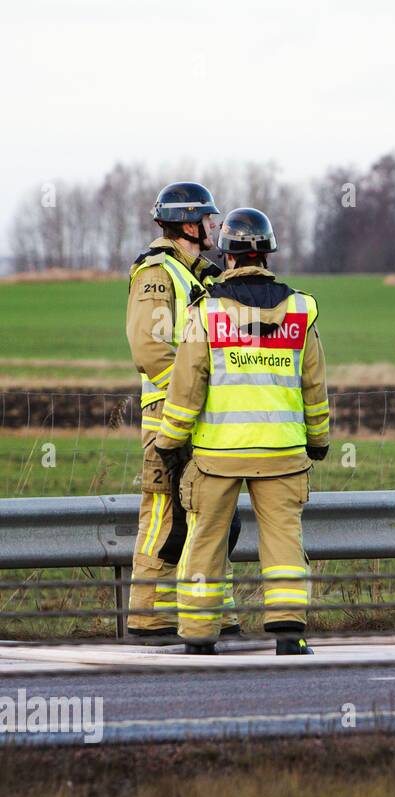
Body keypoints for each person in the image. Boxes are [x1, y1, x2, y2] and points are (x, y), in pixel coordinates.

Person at [153, 208, 330, 655]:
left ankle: (197, 638)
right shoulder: (299, 310)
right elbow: (314, 385)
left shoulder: (207, 312)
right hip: (283, 453)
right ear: (267, 253)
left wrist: (169, 441)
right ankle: (289, 636)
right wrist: (320, 440)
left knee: (206, 541)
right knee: (283, 540)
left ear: (228, 256)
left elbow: (187, 386)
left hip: (218, 457)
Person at [124, 182, 240, 638]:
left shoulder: (197, 275)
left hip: (200, 417)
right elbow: (150, 349)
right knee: (165, 514)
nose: (214, 227)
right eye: (208, 220)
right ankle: (149, 612)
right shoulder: (157, 273)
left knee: (212, 514)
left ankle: (212, 610)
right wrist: (187, 401)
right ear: (189, 224)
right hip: (169, 416)